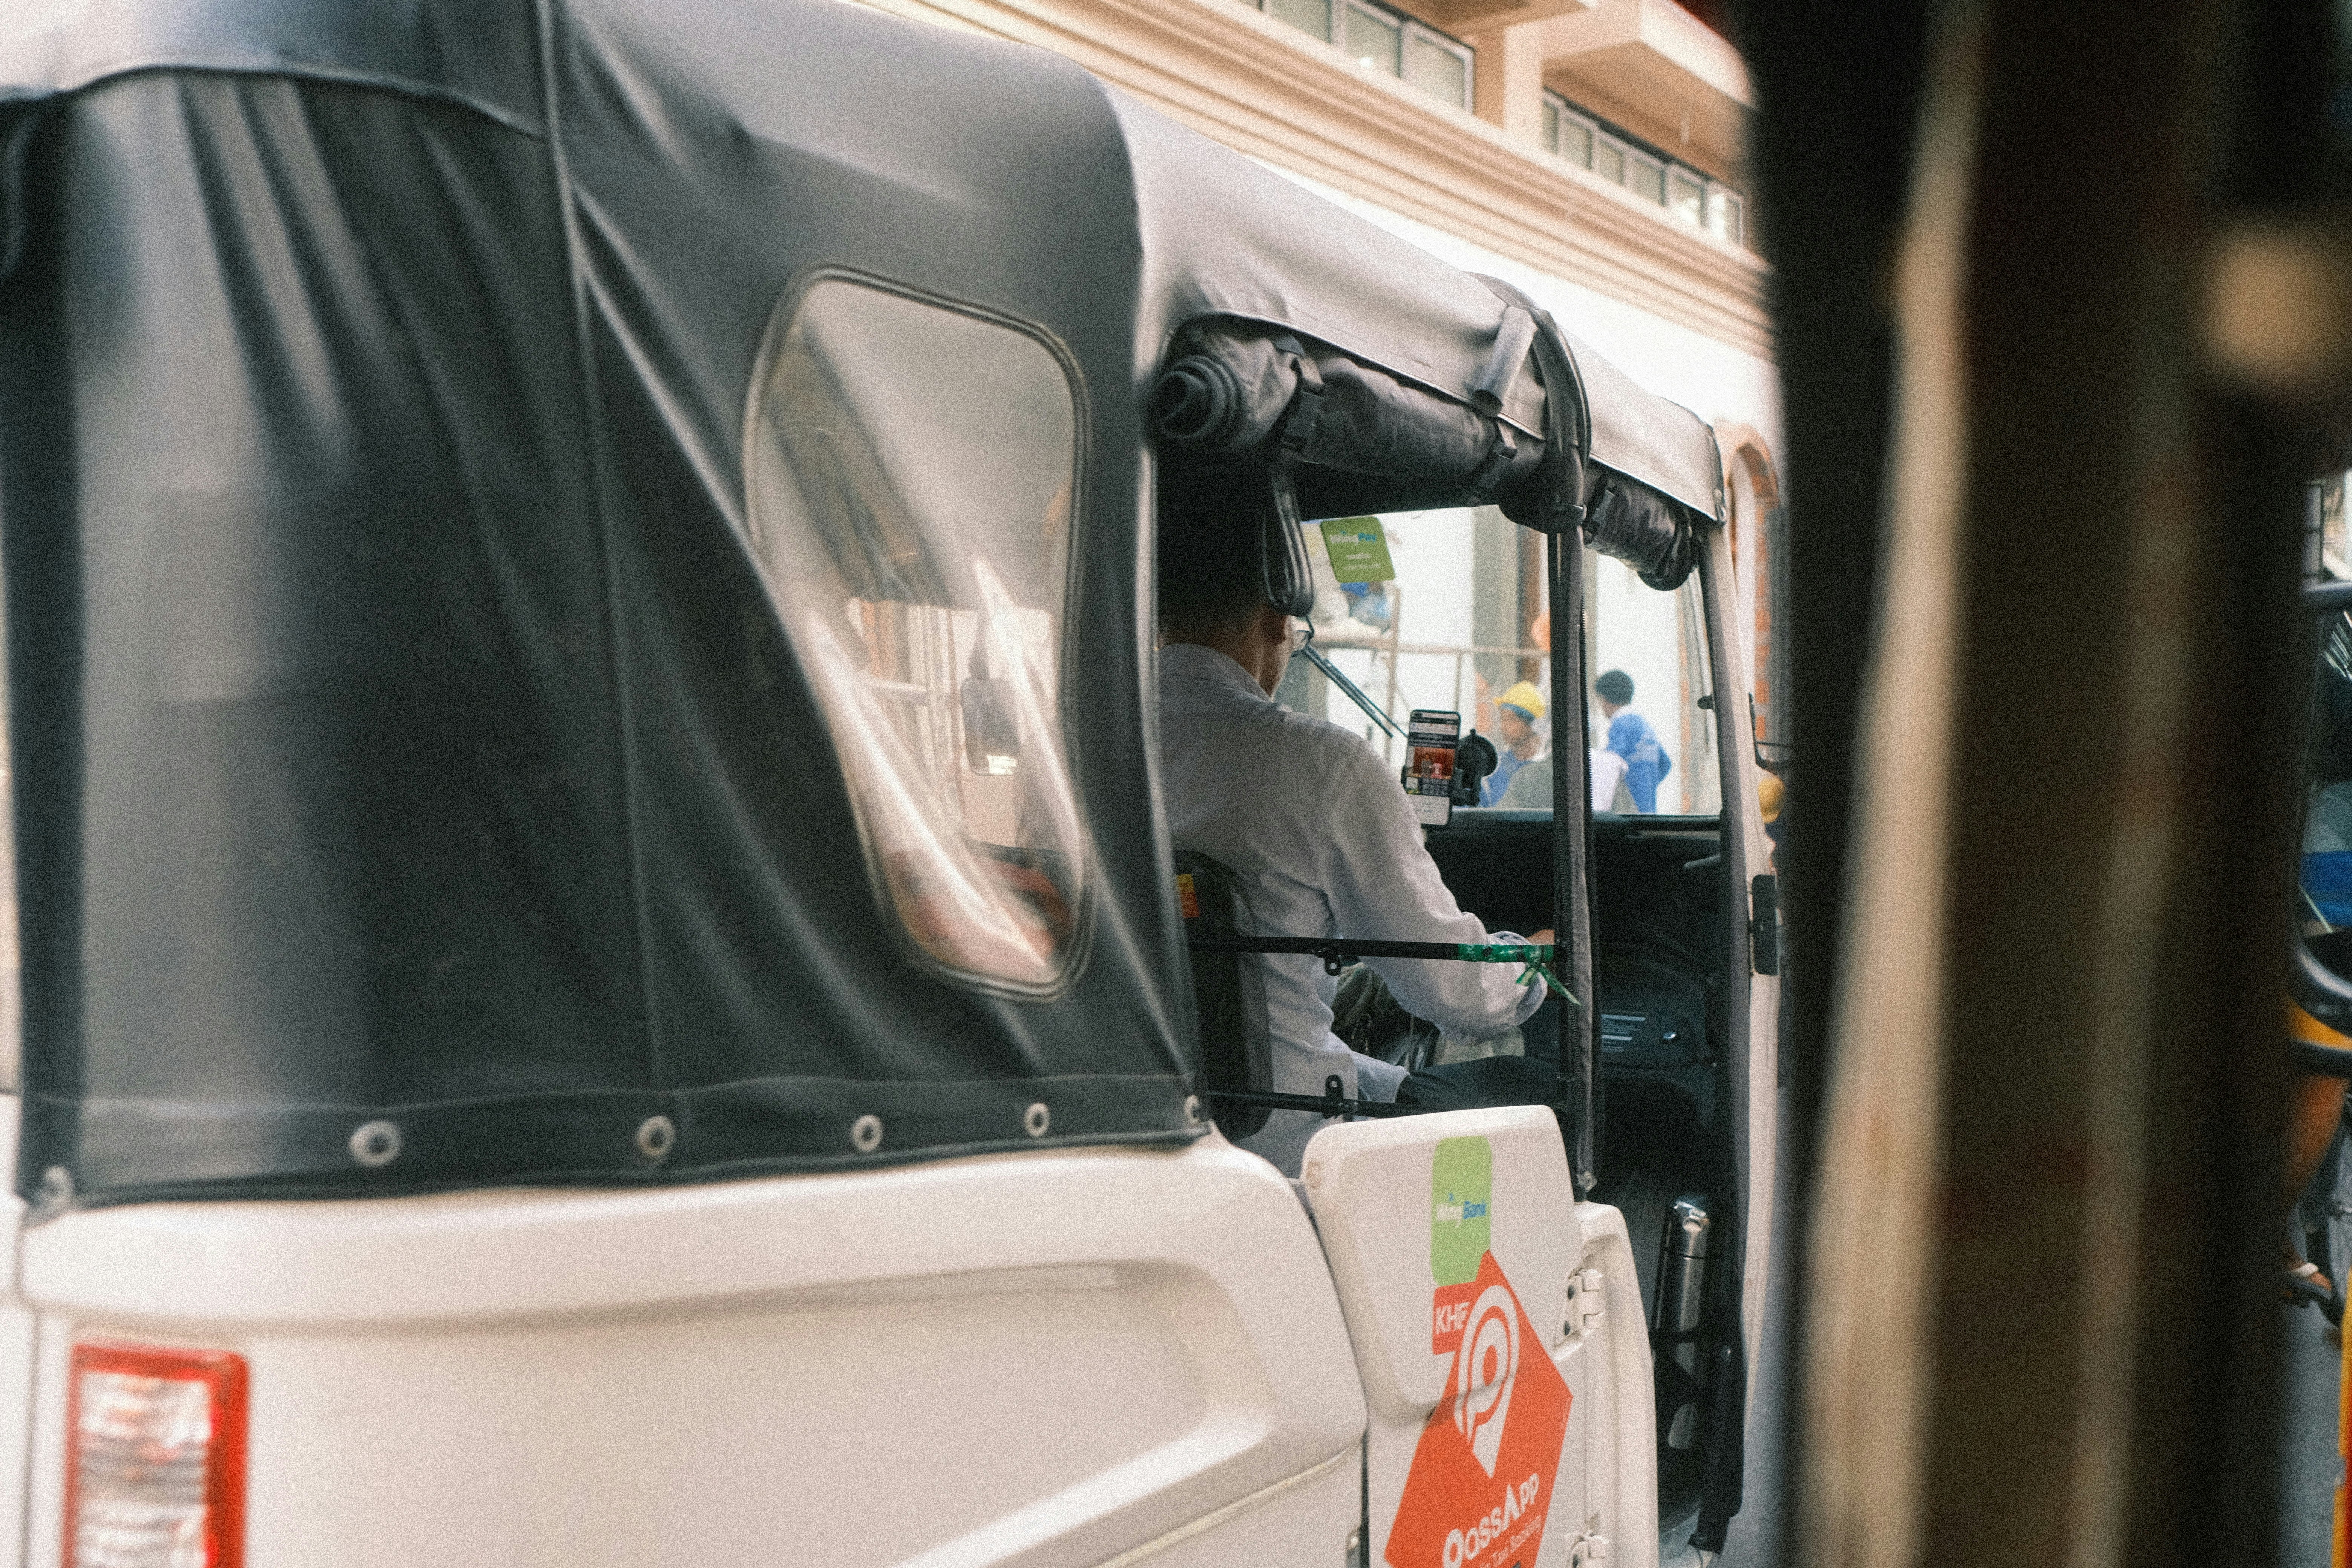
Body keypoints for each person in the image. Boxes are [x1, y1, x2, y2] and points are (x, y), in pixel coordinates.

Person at [1158, 485, 1552, 1176]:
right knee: (1538, 1098)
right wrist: (1531, 962)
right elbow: (1455, 994)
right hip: (1287, 1154)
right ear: (1280, 616)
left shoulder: (1073, 751)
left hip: (1142, 1127)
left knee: (1380, 1074)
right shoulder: (1320, 764)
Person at [1595, 668, 1671, 813]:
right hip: (1649, 808)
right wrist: (1646, 784)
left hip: (1629, 810)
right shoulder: (1644, 725)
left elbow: (1609, 763)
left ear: (1604, 699)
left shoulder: (1620, 724)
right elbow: (1666, 764)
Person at [1481, 681, 1549, 804]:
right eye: (1503, 719)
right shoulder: (1494, 764)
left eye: (1512, 720)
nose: (1505, 727)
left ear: (1534, 725)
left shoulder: (1544, 770)